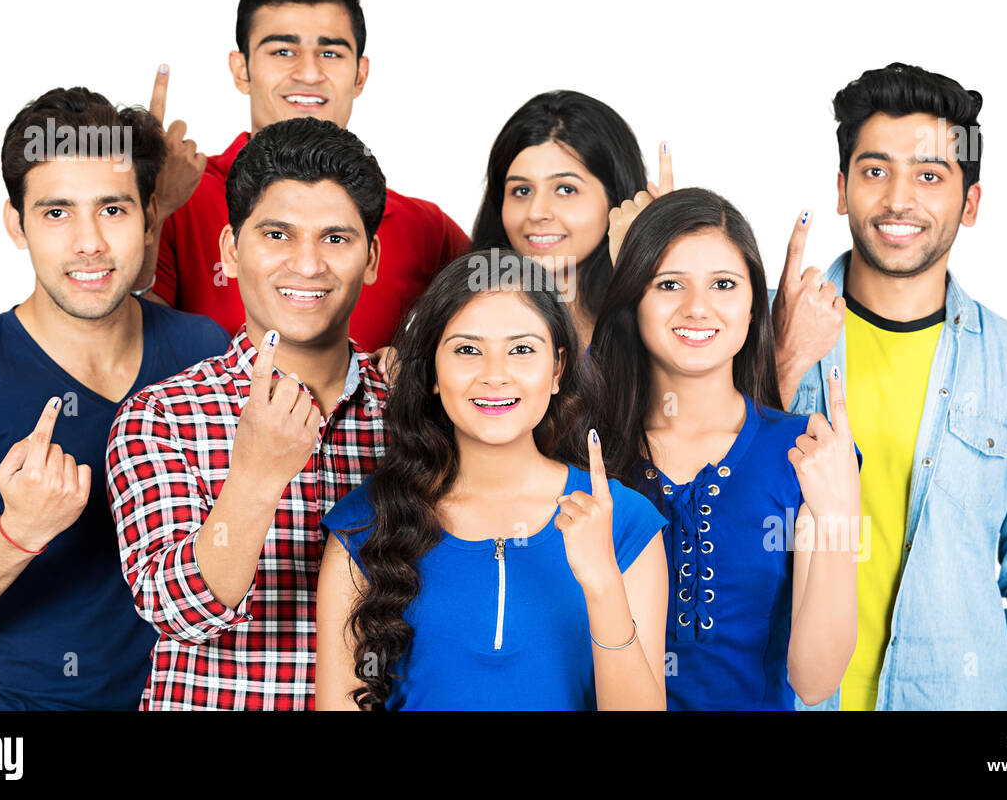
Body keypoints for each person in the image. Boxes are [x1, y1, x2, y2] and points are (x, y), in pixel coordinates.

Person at [0, 87, 228, 709]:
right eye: (56, 212)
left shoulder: (203, 348)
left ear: (151, 216)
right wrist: (19, 530)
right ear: (16, 223)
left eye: (113, 210)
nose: (89, 242)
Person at [771, 62, 1007, 710]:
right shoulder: (762, 340)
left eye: (930, 176)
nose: (898, 200)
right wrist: (775, 364)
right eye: (875, 170)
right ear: (841, 188)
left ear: (970, 202)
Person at [106, 116, 388, 710]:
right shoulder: (160, 418)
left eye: (335, 238)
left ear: (372, 258)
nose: (307, 264)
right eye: (277, 235)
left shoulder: (411, 419)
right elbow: (176, 610)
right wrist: (256, 478)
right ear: (231, 251)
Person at [315, 250, 668, 710]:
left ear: (557, 369)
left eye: (521, 350)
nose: (495, 375)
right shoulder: (362, 526)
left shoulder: (626, 522)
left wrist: (602, 582)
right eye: (467, 349)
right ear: (434, 374)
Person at [590, 188, 859, 710]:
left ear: (754, 304)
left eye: (723, 284)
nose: (698, 307)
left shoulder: (806, 451)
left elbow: (815, 680)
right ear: (633, 301)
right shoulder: (589, 450)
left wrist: (839, 517)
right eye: (669, 284)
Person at [138, 0, 469, 352]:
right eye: (283, 51)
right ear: (241, 69)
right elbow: (131, 345)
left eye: (330, 52)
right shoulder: (180, 195)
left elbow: (510, 309)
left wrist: (416, 368)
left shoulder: (423, 227)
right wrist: (143, 202)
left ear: (360, 74)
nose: (309, 73)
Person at [469, 90, 650, 349]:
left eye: (565, 189)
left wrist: (662, 253)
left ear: (616, 199)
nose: (536, 212)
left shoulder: (655, 317)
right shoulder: (463, 317)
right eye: (522, 191)